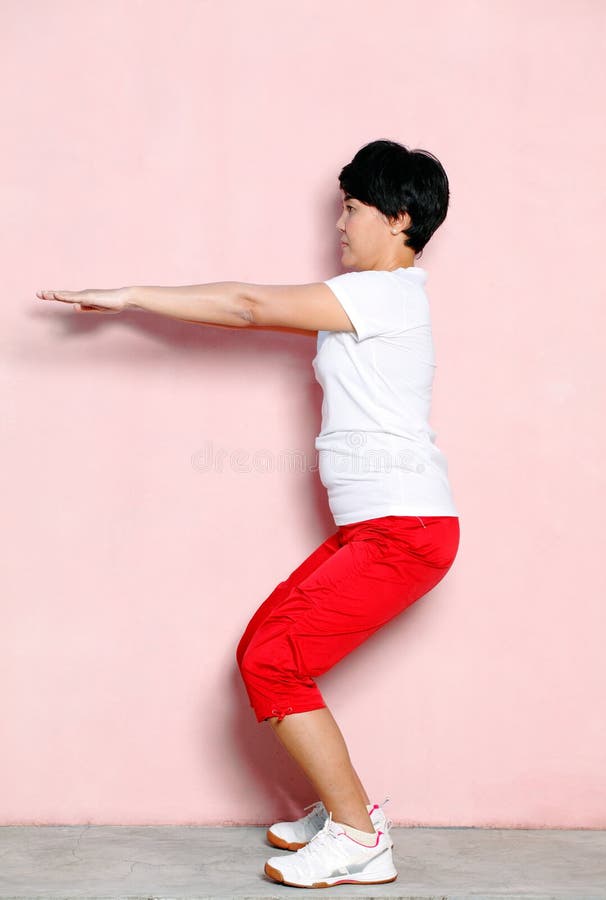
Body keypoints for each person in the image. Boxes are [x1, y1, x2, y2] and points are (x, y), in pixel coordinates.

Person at [35, 138, 460, 890]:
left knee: (272, 660)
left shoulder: (384, 294)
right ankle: (348, 808)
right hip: (377, 529)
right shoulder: (371, 297)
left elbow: (247, 306)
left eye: (352, 208)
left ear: (399, 218)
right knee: (266, 648)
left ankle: (359, 838)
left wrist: (131, 295)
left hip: (403, 531)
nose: (339, 224)